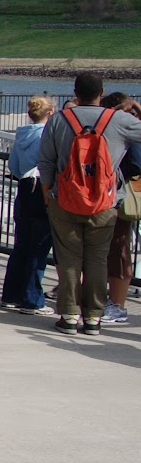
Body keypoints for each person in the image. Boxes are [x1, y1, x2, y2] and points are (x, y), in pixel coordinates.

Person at [0, 95, 56, 317]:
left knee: (21, 244)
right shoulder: (47, 135)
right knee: (39, 247)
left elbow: (13, 165)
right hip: (40, 187)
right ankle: (32, 299)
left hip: (24, 186)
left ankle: (11, 295)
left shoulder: (21, 134)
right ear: (50, 114)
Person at [101, 94, 141, 326]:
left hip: (120, 198)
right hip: (114, 198)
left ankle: (117, 305)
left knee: (118, 249)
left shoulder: (127, 133)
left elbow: (135, 163)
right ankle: (114, 302)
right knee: (115, 249)